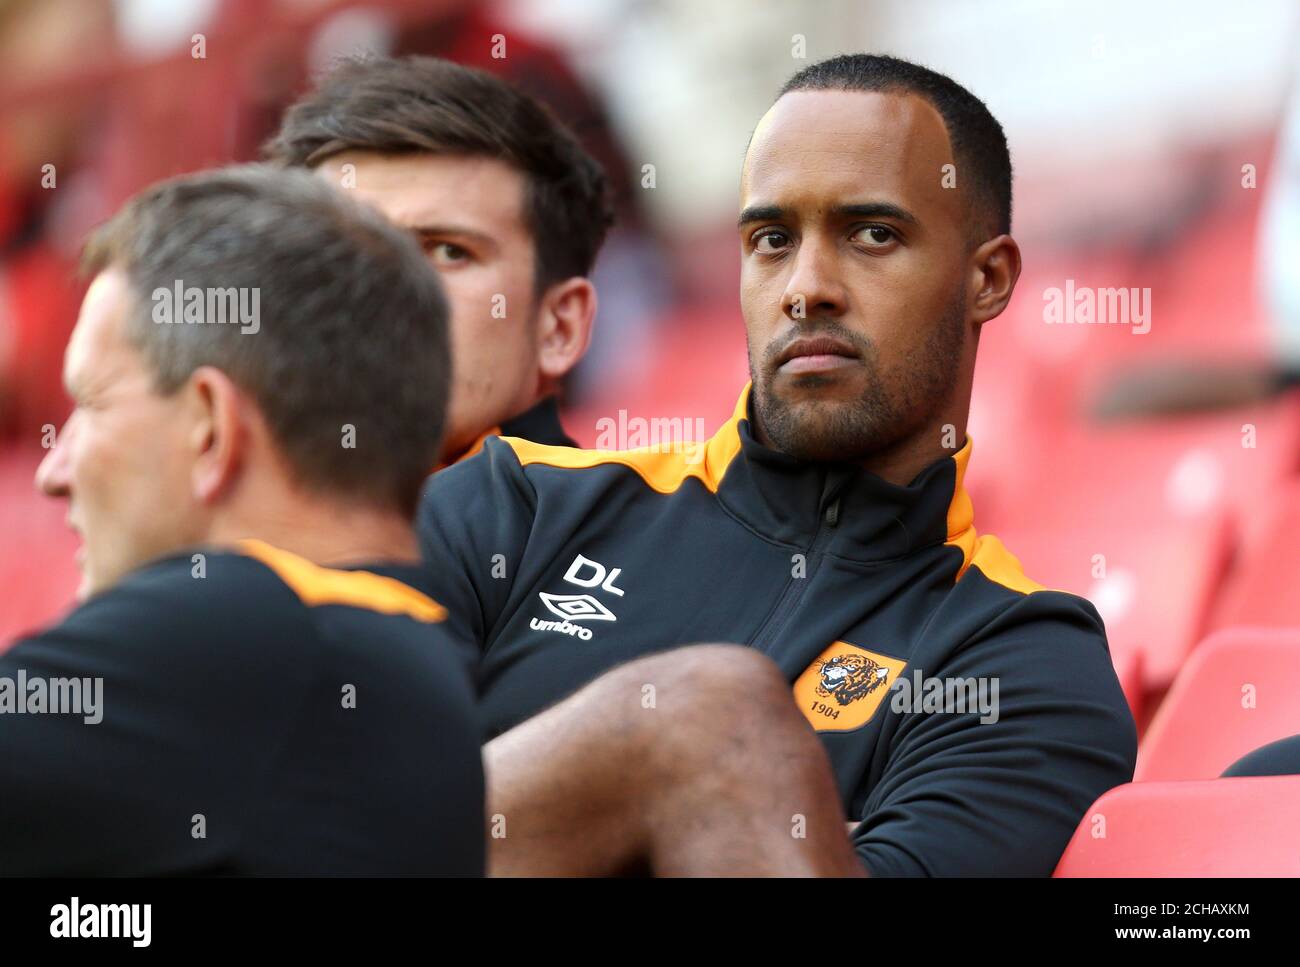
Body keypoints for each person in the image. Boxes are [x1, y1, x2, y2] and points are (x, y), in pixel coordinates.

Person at [419, 53, 1138, 876]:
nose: (806, 288)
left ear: (988, 278)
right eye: (772, 240)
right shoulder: (512, 508)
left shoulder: (1019, 662)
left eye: (872, 234)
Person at [0, 165, 482, 875]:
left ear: (211, 428)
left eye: (92, 404)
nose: (53, 470)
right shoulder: (389, 652)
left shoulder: (251, 632)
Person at [264, 55, 613, 463]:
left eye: (449, 252)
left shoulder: (651, 502)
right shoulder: (224, 498)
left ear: (559, 326)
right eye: (337, 249)